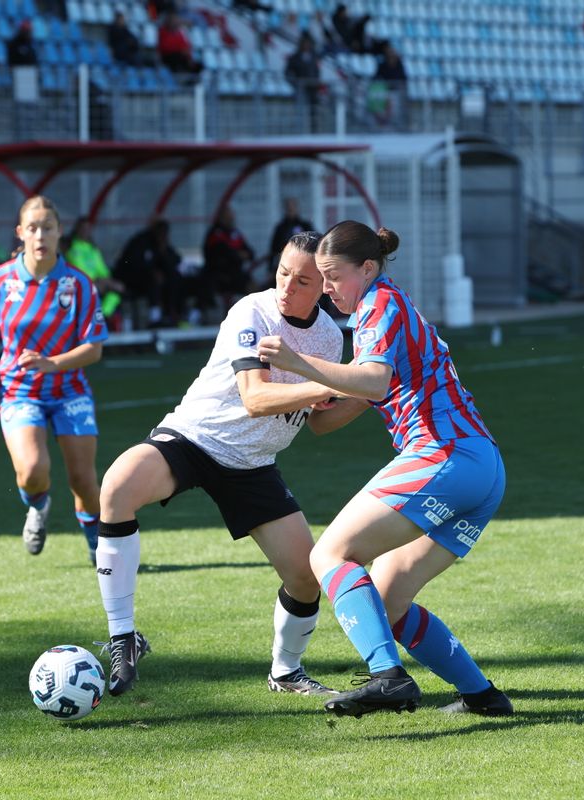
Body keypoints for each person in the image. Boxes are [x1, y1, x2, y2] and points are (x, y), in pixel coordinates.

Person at [256, 220, 513, 719]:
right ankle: (484, 697)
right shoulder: (388, 307)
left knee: (330, 552)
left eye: (332, 276)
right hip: (480, 470)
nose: (326, 288)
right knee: (390, 600)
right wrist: (311, 392)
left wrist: (300, 361)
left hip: (445, 454)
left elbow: (372, 382)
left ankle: (387, 677)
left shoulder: (378, 305)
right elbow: (331, 421)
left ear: (367, 268)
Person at [93, 231, 362, 697]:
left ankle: (286, 672)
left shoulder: (328, 337)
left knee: (306, 577)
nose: (286, 287)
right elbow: (256, 398)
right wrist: (325, 386)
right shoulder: (251, 312)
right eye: (282, 273)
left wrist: (367, 393)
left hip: (254, 463)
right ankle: (123, 639)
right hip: (195, 439)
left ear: (323, 285)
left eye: (301, 281)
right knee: (117, 486)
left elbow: (320, 424)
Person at [0, 196, 108, 562]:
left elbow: (94, 348)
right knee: (31, 472)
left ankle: (96, 543)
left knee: (84, 481)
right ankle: (37, 506)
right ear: (21, 233)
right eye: (33, 228)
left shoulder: (78, 284)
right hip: (20, 392)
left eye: (48, 227)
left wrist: (53, 363)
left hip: (70, 390)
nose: (40, 235)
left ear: (59, 232)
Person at [113, 218, 184, 328]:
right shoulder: (140, 242)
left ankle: (173, 314)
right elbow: (131, 264)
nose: (163, 236)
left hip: (151, 282)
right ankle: (154, 317)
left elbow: (176, 260)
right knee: (153, 279)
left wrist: (163, 252)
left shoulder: (162, 245)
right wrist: (151, 272)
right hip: (131, 280)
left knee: (174, 277)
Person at [201, 205, 257, 321]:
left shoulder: (235, 233)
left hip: (236, 272)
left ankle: (256, 320)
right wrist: (239, 255)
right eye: (228, 216)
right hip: (218, 274)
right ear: (221, 217)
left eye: (231, 216)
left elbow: (250, 253)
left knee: (254, 287)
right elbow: (224, 253)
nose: (231, 219)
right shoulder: (215, 233)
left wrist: (239, 255)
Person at [64, 217, 124, 326]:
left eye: (88, 228)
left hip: (98, 281)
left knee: (117, 290)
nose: (85, 231)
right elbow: (79, 268)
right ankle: (98, 319)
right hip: (81, 282)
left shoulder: (93, 248)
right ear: (77, 229)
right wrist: (97, 279)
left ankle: (103, 316)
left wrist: (106, 279)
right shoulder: (73, 247)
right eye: (83, 228)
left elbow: (102, 269)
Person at [267, 197, 314, 281]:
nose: (291, 209)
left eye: (293, 206)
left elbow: (314, 243)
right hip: (285, 263)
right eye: (288, 207)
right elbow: (273, 248)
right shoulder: (280, 227)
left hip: (303, 263)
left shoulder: (305, 225)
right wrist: (270, 269)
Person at [285, 33, 323, 132]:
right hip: (300, 87)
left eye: (308, 43)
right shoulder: (295, 57)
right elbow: (287, 72)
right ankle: (298, 129)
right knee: (299, 109)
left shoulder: (314, 56)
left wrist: (316, 81)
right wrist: (294, 83)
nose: (306, 45)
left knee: (313, 109)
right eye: (304, 43)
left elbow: (317, 71)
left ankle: (314, 130)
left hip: (312, 86)